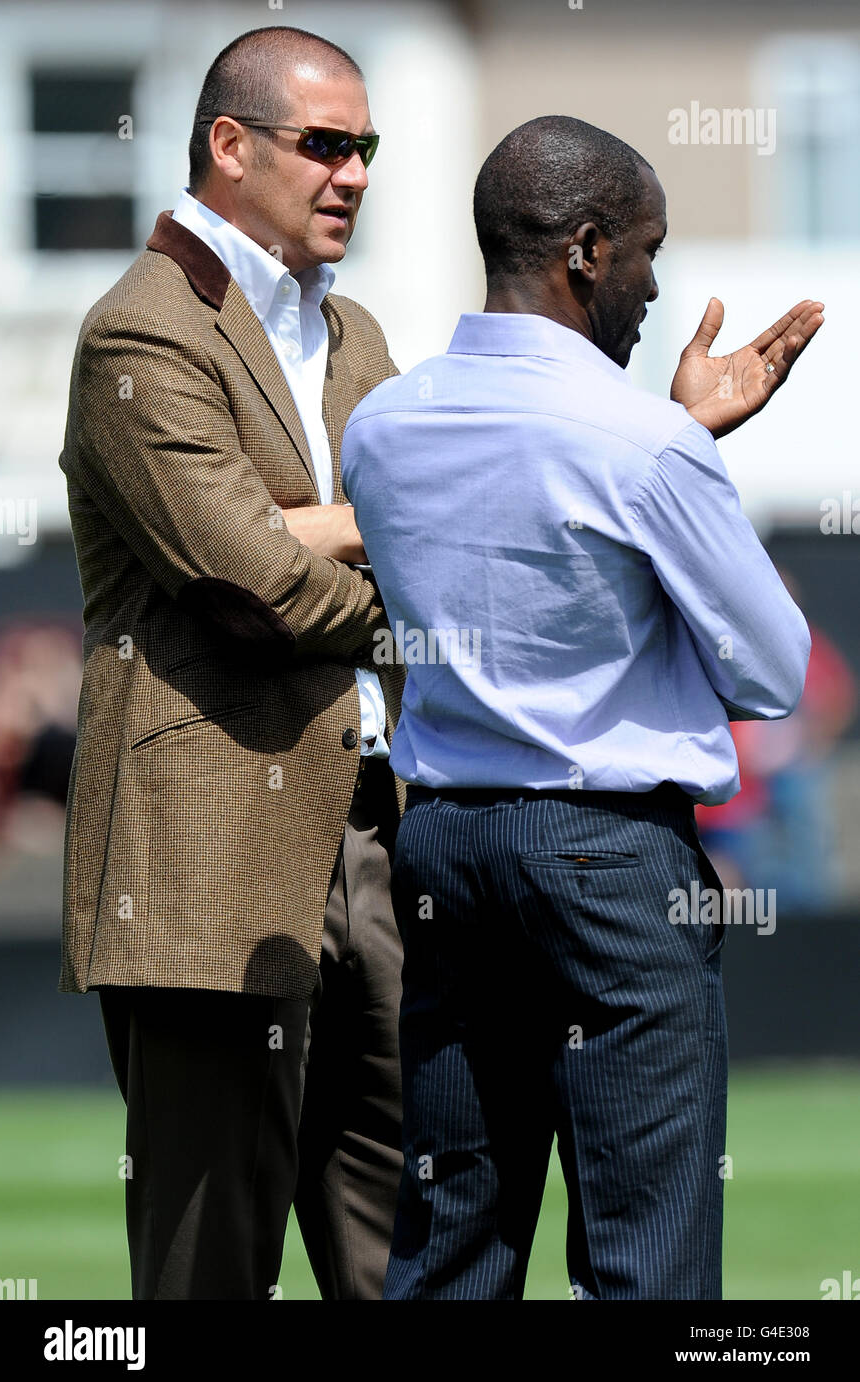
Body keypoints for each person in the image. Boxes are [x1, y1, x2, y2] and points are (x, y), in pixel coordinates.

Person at [341, 115, 821, 1300]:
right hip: (606, 861)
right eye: (649, 253)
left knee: (451, 1242)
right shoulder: (646, 445)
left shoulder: (382, 427)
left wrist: (674, 440)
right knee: (643, 1257)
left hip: (443, 851)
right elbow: (768, 670)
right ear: (589, 250)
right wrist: (686, 450)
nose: (658, 285)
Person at [58, 26, 405, 1300]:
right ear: (229, 145)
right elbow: (247, 587)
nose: (354, 173)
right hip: (204, 860)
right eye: (325, 145)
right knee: (207, 1280)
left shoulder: (357, 334)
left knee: (407, 1264)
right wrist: (374, 544)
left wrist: (309, 529)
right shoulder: (136, 334)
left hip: (378, 836)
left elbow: (393, 534)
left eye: (364, 148)